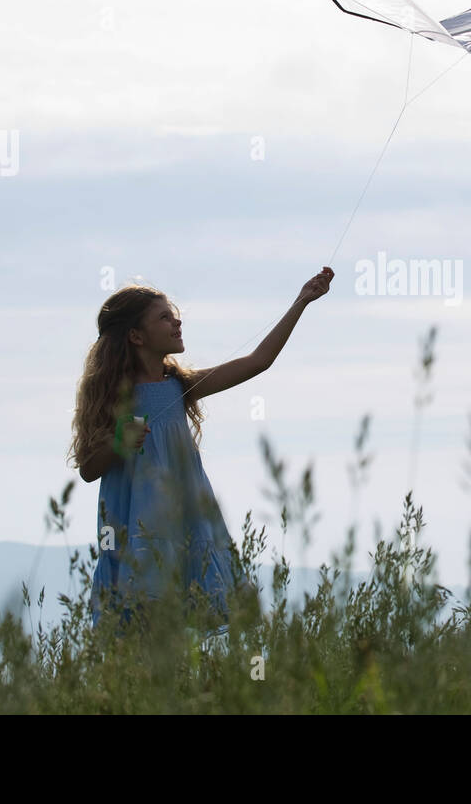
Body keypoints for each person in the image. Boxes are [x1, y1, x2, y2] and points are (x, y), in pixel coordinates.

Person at [67, 267, 334, 636]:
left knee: (176, 626)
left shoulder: (179, 386)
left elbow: (259, 361)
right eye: (164, 318)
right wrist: (118, 443)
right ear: (135, 335)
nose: (176, 323)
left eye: (174, 316)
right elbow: (88, 469)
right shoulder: (113, 397)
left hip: (183, 522)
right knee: (138, 627)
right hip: (132, 526)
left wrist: (301, 301)